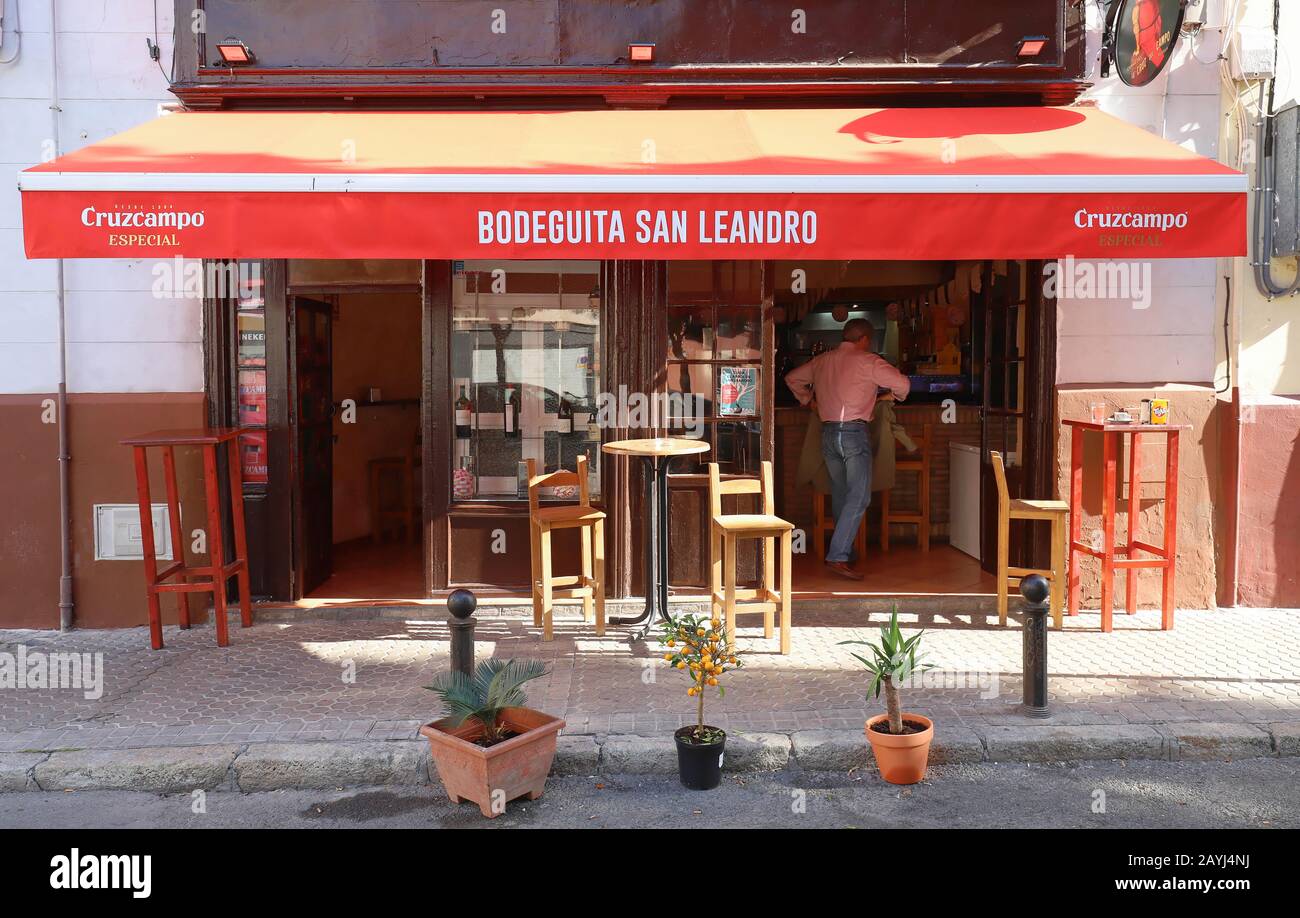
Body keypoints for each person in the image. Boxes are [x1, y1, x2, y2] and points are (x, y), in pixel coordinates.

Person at [784, 318, 910, 580]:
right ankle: (838, 555)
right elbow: (903, 385)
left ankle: (846, 551)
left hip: (828, 433)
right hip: (853, 433)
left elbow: (792, 378)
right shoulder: (869, 361)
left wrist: (809, 401)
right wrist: (888, 396)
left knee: (842, 493)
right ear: (865, 339)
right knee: (860, 496)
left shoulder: (823, 361)